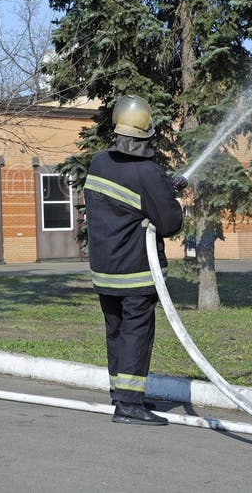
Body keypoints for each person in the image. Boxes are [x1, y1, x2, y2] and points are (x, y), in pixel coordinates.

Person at [82, 95, 183, 426]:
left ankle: (121, 393)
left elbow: (124, 201)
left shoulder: (99, 162)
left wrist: (164, 188)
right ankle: (128, 406)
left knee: (116, 330)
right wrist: (169, 195)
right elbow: (169, 224)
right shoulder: (149, 172)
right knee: (137, 332)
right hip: (136, 273)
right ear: (147, 134)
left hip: (104, 270)